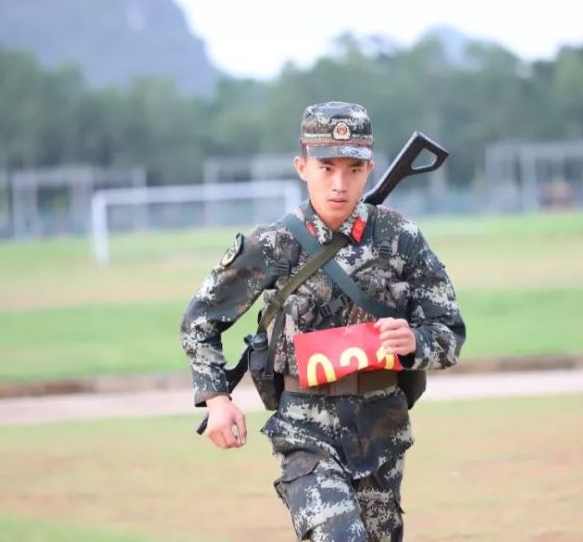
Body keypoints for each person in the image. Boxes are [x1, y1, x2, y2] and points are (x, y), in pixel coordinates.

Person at [181, 101, 465, 541]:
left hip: (381, 432)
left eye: (353, 168)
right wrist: (216, 398)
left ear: (369, 169)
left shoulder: (400, 239)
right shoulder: (274, 244)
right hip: (304, 431)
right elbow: (201, 319)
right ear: (302, 166)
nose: (339, 183)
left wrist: (414, 341)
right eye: (326, 167)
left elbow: (448, 332)